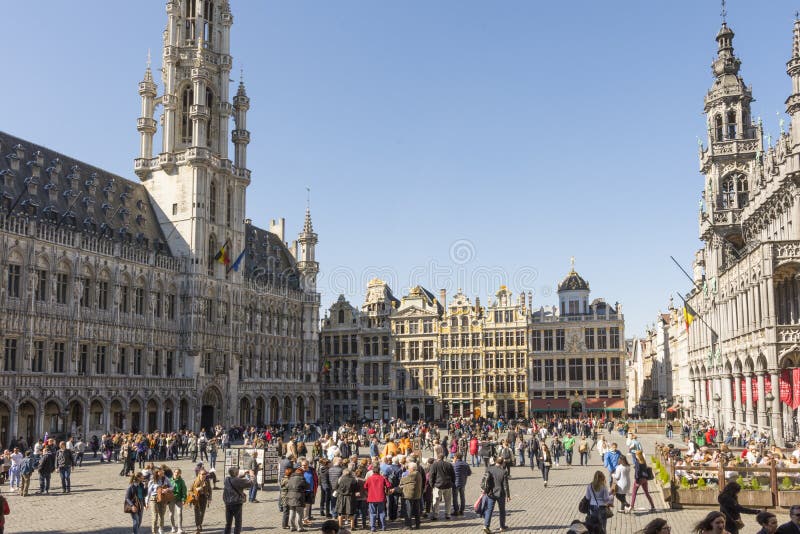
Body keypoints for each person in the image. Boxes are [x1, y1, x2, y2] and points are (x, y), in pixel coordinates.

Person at [222, 465, 254, 534]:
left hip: (228, 503)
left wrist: (243, 474)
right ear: (236, 473)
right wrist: (252, 475)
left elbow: (235, 480)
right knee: (238, 523)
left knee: (228, 523)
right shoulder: (238, 481)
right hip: (236, 503)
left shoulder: (227, 479)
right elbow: (250, 483)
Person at [364, 461, 390, 532]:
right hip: (381, 497)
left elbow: (365, 487)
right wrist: (387, 491)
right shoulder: (382, 478)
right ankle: (383, 526)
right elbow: (388, 485)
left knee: (372, 513)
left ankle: (373, 527)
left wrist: (368, 493)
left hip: (371, 498)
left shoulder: (369, 478)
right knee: (382, 513)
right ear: (379, 471)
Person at [428, 452, 455, 521]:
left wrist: (431, 485)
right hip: (448, 485)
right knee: (448, 501)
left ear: (437, 458)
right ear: (444, 458)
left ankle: (435, 515)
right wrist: (452, 483)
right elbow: (453, 475)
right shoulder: (449, 464)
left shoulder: (434, 465)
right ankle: (448, 514)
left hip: (438, 485)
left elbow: (431, 476)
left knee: (436, 501)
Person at [400, 462, 423, 530]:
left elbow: (404, 480)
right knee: (416, 510)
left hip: (410, 495)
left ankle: (408, 525)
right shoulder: (418, 473)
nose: (408, 469)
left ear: (412, 468)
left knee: (408, 510)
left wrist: (402, 480)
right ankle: (417, 524)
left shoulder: (414, 474)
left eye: (409, 468)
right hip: (416, 495)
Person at [146, 469, 169, 534]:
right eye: (161, 472)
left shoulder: (165, 479)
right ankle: (154, 531)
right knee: (155, 516)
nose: (163, 472)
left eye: (163, 471)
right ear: (157, 473)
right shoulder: (152, 481)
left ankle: (161, 529)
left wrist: (167, 489)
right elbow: (148, 492)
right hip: (154, 499)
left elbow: (171, 486)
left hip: (162, 498)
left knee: (162, 515)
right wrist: (146, 503)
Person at [287, 468, 310, 532]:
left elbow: (287, 486)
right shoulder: (301, 478)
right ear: (302, 473)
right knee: (299, 513)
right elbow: (308, 486)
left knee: (292, 512)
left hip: (290, 496)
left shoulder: (290, 478)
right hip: (299, 497)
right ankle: (300, 527)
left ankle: (292, 526)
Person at [191, 469, 213, 534]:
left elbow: (210, 490)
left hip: (204, 498)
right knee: (197, 512)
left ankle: (200, 523)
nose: (204, 475)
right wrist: (198, 489)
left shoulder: (207, 481)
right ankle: (197, 525)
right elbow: (190, 490)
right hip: (196, 498)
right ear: (199, 474)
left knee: (202, 513)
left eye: (205, 474)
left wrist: (210, 497)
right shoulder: (195, 481)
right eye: (202, 474)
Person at [452, 451, 471, 516]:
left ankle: (456, 510)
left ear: (456, 457)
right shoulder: (465, 464)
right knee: (462, 496)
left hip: (455, 483)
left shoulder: (454, 465)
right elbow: (469, 473)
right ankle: (462, 510)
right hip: (463, 482)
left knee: (455, 497)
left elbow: (450, 474)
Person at [172, 468, 188, 534]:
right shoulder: (169, 480)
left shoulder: (182, 481)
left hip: (178, 499)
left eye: (178, 473)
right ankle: (173, 526)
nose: (176, 474)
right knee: (171, 514)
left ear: (180, 474)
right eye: (175, 472)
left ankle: (179, 528)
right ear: (173, 472)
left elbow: (184, 490)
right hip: (171, 499)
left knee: (179, 513)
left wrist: (184, 499)